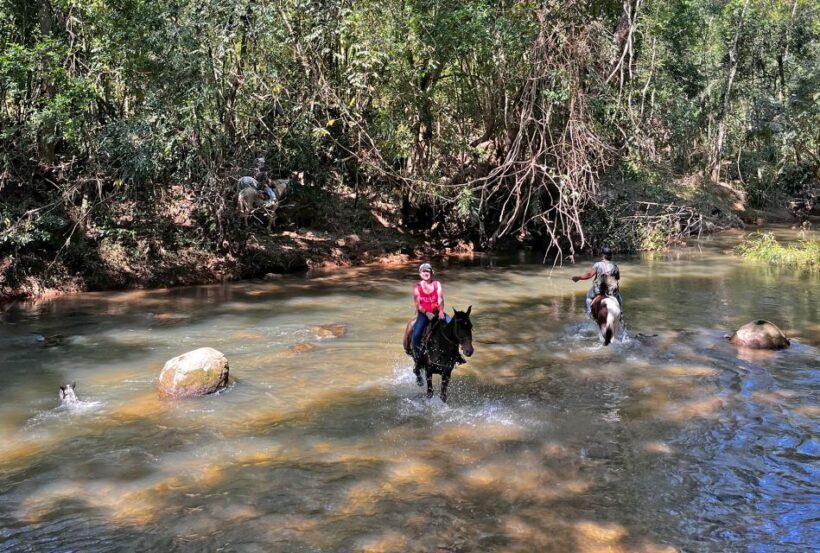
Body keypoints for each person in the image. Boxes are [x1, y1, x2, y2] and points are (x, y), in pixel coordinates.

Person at [571, 246, 623, 318]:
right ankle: (620, 313)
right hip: (611, 291)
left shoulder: (598, 264)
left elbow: (589, 275)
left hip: (599, 290)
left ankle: (589, 313)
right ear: (611, 256)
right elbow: (617, 278)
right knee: (619, 297)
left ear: (602, 256)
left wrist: (578, 278)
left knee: (588, 297)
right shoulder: (615, 266)